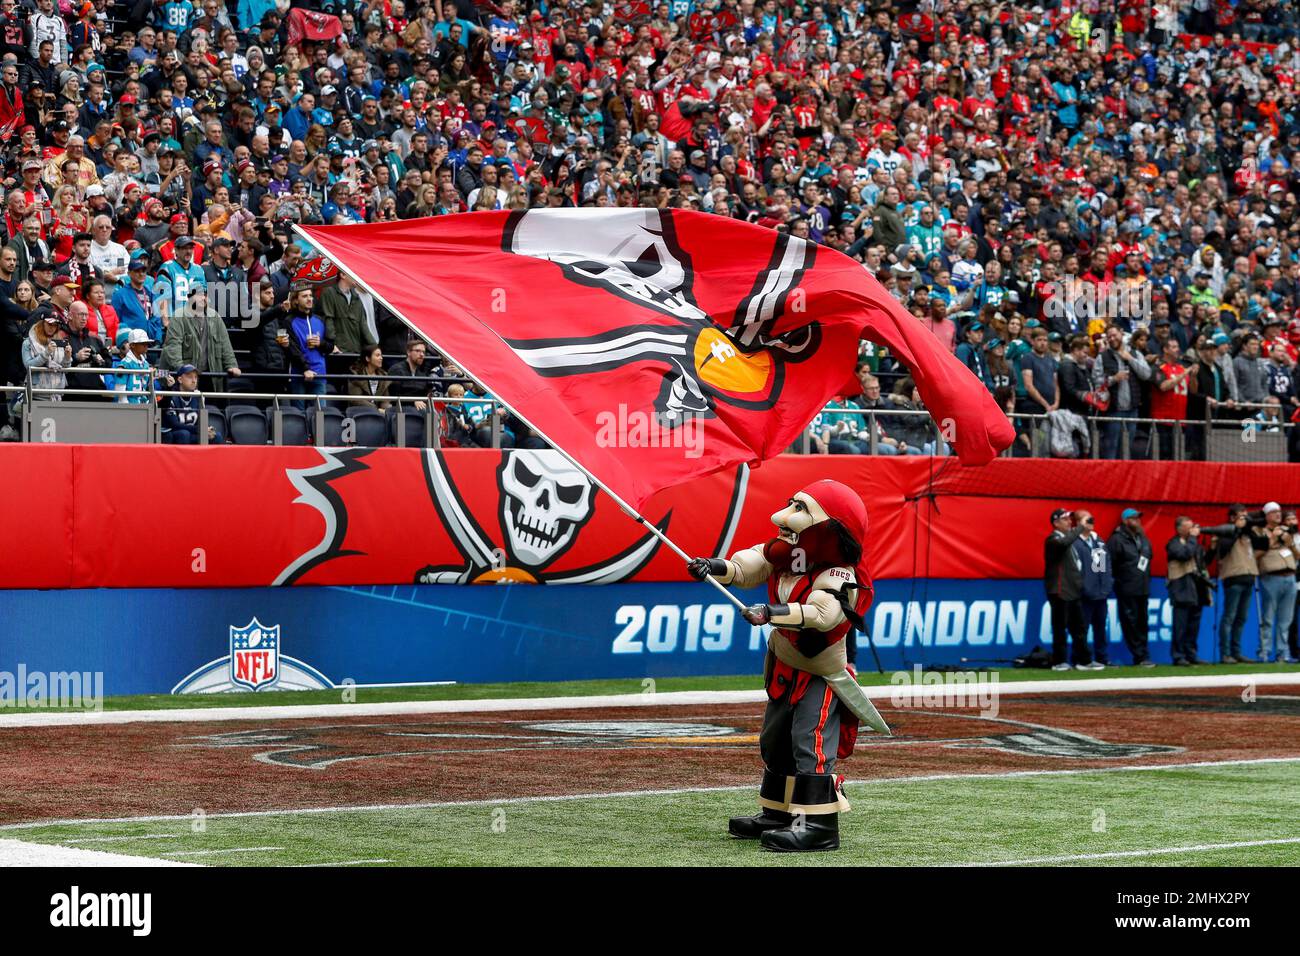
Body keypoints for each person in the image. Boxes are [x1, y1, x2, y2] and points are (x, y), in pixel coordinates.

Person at [687, 480, 878, 852]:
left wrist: (771, 612)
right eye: (791, 504)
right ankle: (777, 812)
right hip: (783, 663)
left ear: (829, 528)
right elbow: (748, 566)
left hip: (819, 672)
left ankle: (818, 825)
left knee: (811, 742)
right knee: (775, 741)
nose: (783, 516)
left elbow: (823, 614)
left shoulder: (840, 572)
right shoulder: (787, 552)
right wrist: (712, 566)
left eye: (801, 509)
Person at [1206, 505, 1264, 663]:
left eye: (1246, 516)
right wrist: (1237, 529)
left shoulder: (1248, 533)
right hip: (1233, 578)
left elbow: (1263, 544)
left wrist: (1252, 527)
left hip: (1249, 577)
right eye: (1241, 516)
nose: (1245, 519)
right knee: (1229, 617)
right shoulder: (1224, 532)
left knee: (1241, 618)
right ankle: (1225, 654)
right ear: (1232, 518)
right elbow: (1223, 550)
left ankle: (1236, 652)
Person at [1043, 508, 1097, 670]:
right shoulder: (1052, 540)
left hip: (1073, 590)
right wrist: (1080, 527)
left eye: (1070, 519)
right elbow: (1064, 543)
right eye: (1065, 519)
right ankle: (1059, 661)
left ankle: (1084, 661)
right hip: (1060, 590)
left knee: (1079, 628)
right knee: (1060, 628)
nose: (1069, 522)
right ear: (1056, 523)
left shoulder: (1069, 539)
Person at [1108, 508, 1155, 666]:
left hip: (1143, 587)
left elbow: (1149, 555)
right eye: (1133, 518)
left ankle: (1143, 654)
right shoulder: (1116, 540)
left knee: (1143, 622)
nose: (1137, 520)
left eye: (1138, 518)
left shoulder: (1142, 537)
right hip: (1126, 587)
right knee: (1130, 622)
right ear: (1125, 520)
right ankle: (1140, 656)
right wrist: (1117, 581)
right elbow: (1107, 564)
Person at [1254, 501, 1298, 663]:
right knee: (1268, 618)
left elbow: (1297, 555)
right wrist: (1273, 538)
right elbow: (1256, 555)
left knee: (1286, 619)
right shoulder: (1259, 532)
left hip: (1290, 577)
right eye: (1273, 512)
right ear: (1266, 516)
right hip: (1271, 577)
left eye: (1279, 512)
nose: (1278, 515)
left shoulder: (1287, 531)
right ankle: (1264, 652)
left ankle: (1282, 653)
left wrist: (1290, 542)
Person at [1165, 517, 1210, 666]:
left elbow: (1203, 561)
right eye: (1188, 527)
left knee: (1193, 625)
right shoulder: (1173, 544)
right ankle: (1178, 656)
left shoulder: (1194, 543)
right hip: (1182, 589)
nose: (1192, 530)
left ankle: (1191, 654)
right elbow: (1185, 554)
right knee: (1181, 625)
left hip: (1197, 588)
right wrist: (1193, 538)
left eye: (1193, 527)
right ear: (1179, 529)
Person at [1073, 509, 1113, 667]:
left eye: (1091, 519)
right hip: (1084, 596)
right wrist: (1084, 589)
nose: (1090, 522)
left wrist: (1106, 587)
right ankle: (1079, 659)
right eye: (1086, 520)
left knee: (1101, 628)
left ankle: (1101, 657)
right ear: (1078, 522)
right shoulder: (1075, 542)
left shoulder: (1098, 541)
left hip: (1100, 595)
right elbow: (1075, 571)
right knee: (1082, 629)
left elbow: (1102, 567)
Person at [161, 363, 222, 444]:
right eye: (190, 377)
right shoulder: (171, 397)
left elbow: (200, 421)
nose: (194, 381)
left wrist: (207, 430)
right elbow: (174, 425)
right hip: (175, 434)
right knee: (184, 434)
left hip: (193, 433)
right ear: (180, 380)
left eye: (196, 377)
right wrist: (200, 429)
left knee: (216, 436)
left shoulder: (198, 397)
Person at [347, 343, 390, 408]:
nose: (381, 358)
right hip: (360, 412)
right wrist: (376, 409)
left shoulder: (383, 376)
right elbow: (356, 400)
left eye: (381, 355)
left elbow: (385, 400)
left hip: (379, 413)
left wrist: (386, 409)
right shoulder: (356, 375)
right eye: (377, 355)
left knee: (399, 413)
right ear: (367, 358)